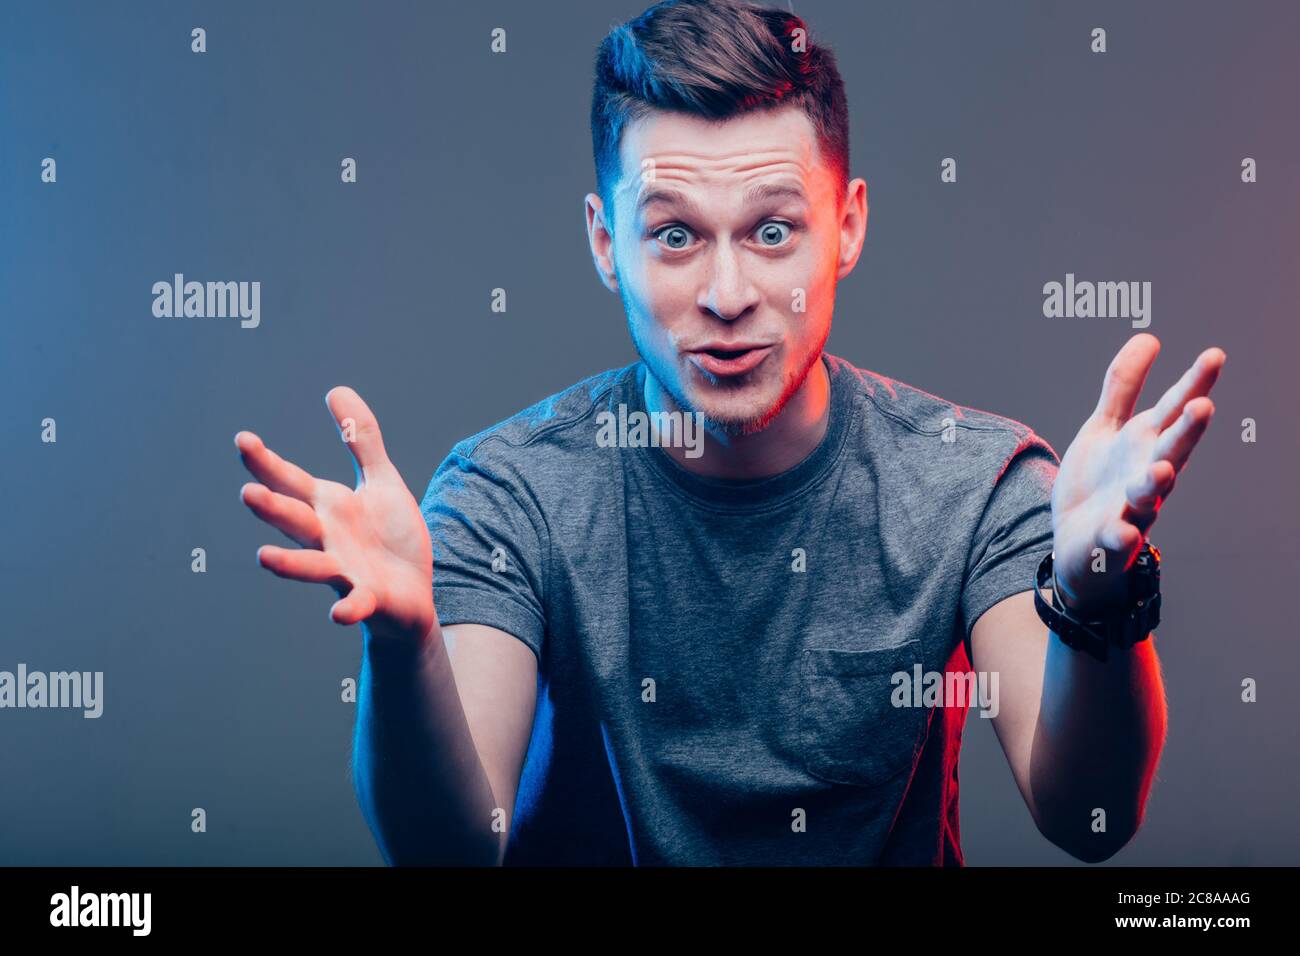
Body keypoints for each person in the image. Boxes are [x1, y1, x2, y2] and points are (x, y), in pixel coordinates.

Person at [234, 0, 1224, 865]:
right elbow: (453, 846)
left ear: (846, 226)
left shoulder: (976, 480)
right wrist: (405, 645)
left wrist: (1094, 591)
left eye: (771, 230)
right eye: (674, 233)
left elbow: (1088, 818)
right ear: (603, 241)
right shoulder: (512, 493)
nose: (725, 293)